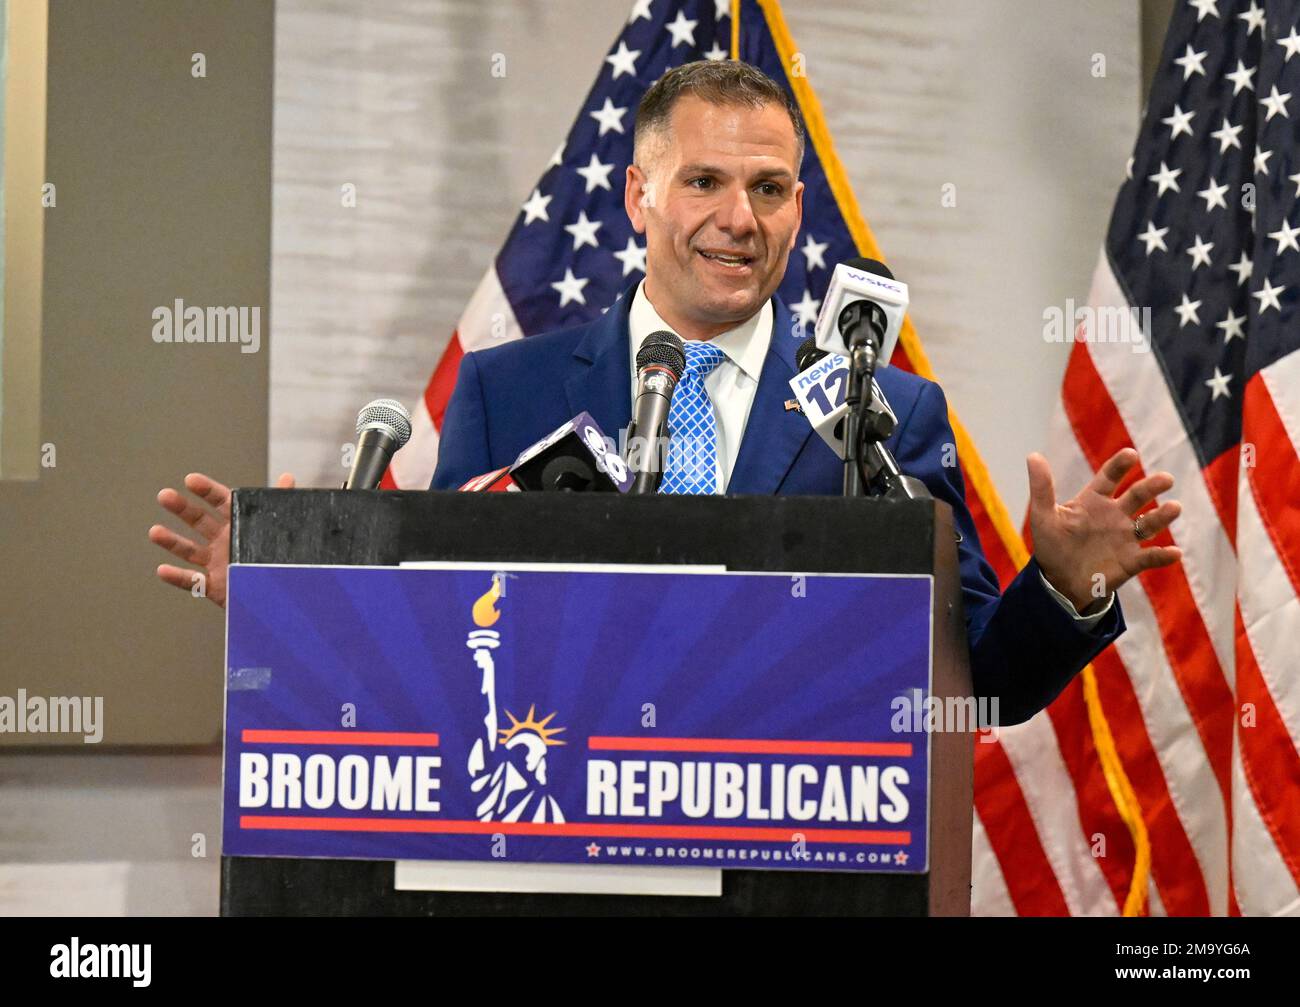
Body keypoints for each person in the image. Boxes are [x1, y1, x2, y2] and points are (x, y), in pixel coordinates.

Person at [152, 60, 1182, 725]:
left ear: (797, 207)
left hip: (800, 863)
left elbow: (977, 691)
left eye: (769, 189)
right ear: (639, 195)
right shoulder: (507, 390)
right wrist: (290, 602)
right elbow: (437, 650)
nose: (741, 216)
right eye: (704, 182)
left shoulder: (883, 414)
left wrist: (1061, 586)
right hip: (565, 853)